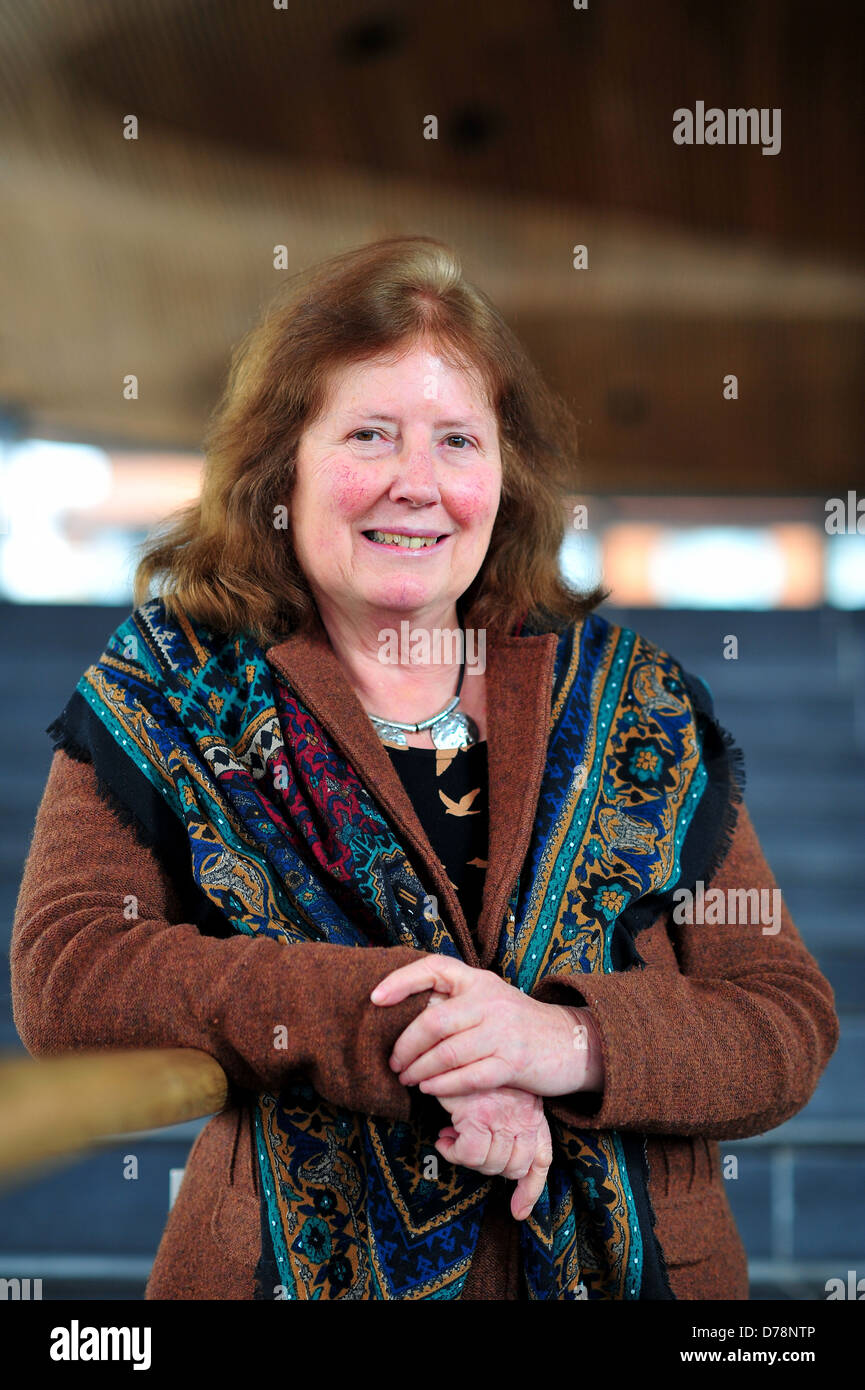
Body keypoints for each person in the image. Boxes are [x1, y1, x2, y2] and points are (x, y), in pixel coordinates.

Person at [11, 235, 839, 1300]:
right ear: (284, 468)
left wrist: (563, 1040)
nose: (417, 483)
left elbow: (782, 1016)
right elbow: (73, 974)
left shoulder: (638, 702)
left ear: (504, 477)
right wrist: (419, 1032)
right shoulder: (170, 689)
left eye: (457, 440)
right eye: (369, 433)